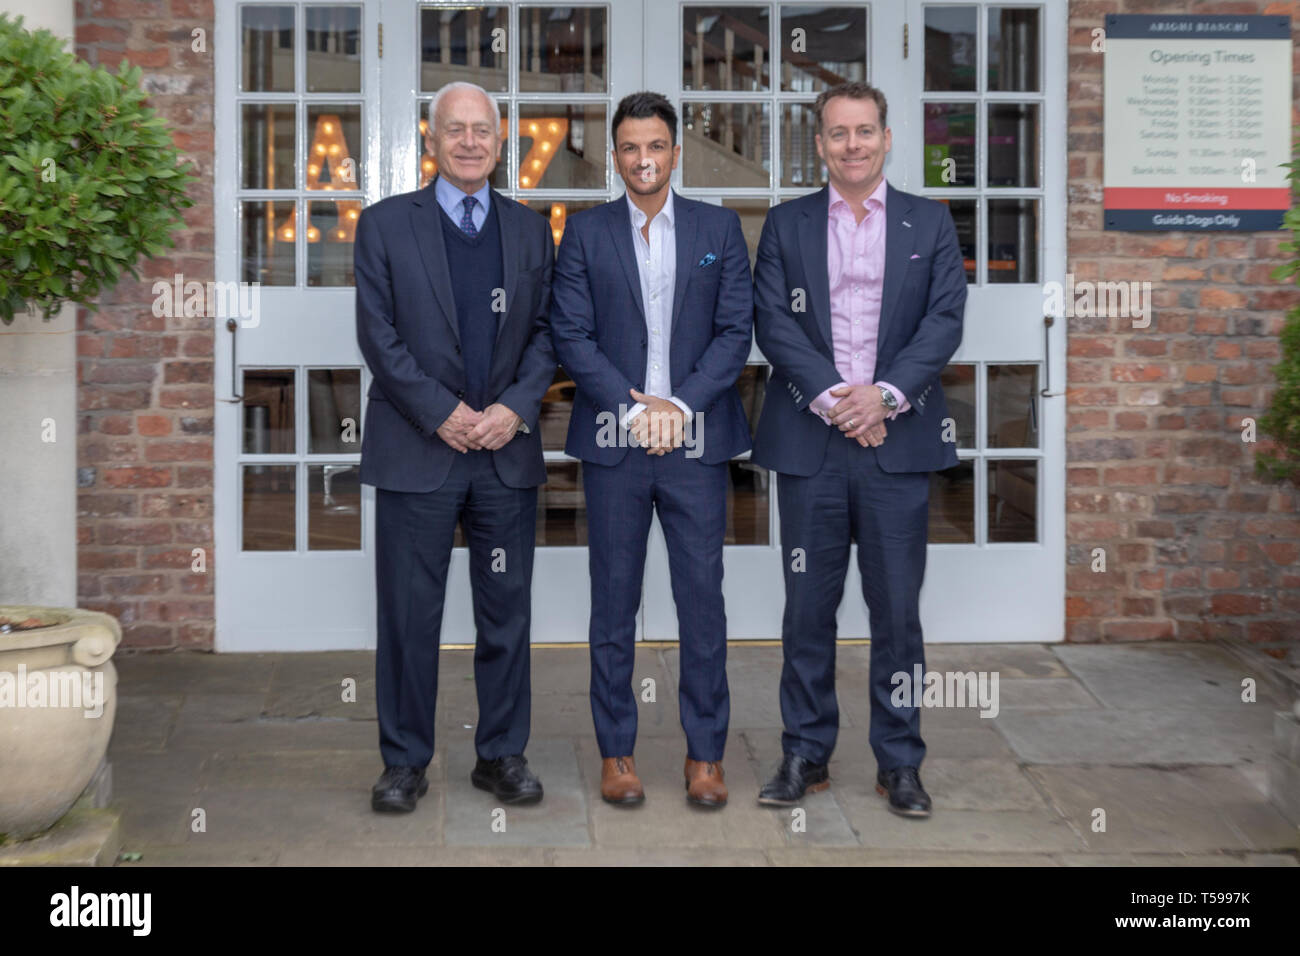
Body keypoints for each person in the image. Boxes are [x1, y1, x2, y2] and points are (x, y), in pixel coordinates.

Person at [750, 82, 967, 817]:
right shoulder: (786, 225)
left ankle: (900, 763)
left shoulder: (930, 222)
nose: (852, 145)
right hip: (811, 441)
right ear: (819, 144)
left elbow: (943, 323)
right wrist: (841, 400)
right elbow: (773, 323)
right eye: (838, 133)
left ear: (886, 137)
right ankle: (804, 753)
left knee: (897, 614)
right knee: (807, 609)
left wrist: (885, 396)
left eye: (865, 131)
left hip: (895, 445)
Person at [354, 81, 556, 812]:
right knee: (410, 618)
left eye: (482, 131)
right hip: (419, 450)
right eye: (455, 130)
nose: (469, 141)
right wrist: (442, 413)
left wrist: (513, 407)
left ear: (501, 146)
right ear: (430, 142)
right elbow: (379, 336)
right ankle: (404, 761)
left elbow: (546, 335)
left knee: (507, 613)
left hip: (503, 452)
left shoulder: (531, 231)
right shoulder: (383, 226)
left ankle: (501, 754)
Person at [549, 92, 753, 808]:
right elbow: (570, 333)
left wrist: (681, 407)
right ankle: (617, 752)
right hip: (617, 444)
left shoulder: (718, 228)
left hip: (696, 443)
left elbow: (736, 332)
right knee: (613, 603)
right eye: (631, 147)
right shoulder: (583, 232)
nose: (644, 159)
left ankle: (706, 756)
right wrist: (637, 411)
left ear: (675, 151)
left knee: (703, 603)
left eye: (657, 145)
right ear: (615, 155)